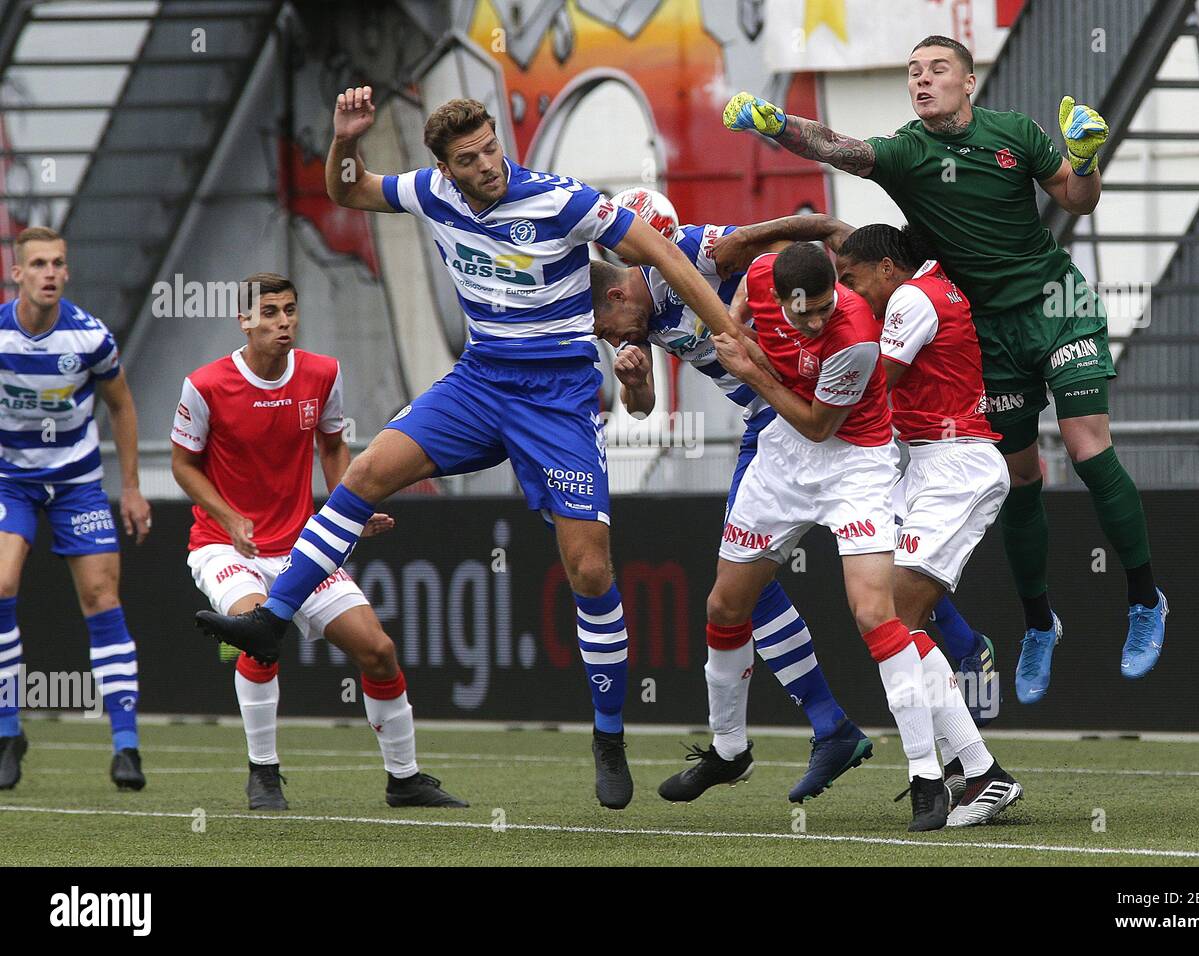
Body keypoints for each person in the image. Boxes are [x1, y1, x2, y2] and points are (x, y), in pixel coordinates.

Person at [193, 91, 746, 811]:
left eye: (492, 149)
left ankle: (608, 736)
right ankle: (270, 621)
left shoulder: (560, 201)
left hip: (556, 398)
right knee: (363, 473)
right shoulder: (430, 193)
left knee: (588, 570)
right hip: (481, 382)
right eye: (469, 159)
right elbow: (346, 188)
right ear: (445, 171)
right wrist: (343, 139)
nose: (488, 165)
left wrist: (724, 332)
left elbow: (664, 253)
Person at [720, 35, 1170, 705]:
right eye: (912, 72)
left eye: (936, 70)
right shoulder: (907, 151)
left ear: (967, 82)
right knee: (1021, 477)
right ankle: (1040, 624)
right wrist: (778, 126)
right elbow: (836, 145)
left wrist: (1084, 158)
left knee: (1086, 446)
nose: (922, 80)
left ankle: (1143, 599)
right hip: (988, 327)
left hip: (1054, 301)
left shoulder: (1014, 133)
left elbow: (1078, 201)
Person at [590, 207, 873, 804]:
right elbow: (640, 410)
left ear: (618, 292)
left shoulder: (686, 254)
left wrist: (828, 232)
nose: (613, 339)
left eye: (608, 329)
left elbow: (757, 238)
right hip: (769, 422)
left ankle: (946, 679)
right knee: (735, 593)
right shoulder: (643, 321)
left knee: (886, 592)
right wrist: (634, 380)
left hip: (805, 414)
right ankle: (810, 730)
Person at [172, 272, 465, 811]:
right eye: (270, 312)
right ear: (244, 320)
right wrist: (230, 517)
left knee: (378, 651)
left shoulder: (321, 374)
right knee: (260, 633)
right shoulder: (206, 385)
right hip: (224, 546)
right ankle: (263, 773)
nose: (283, 321)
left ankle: (404, 779)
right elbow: (183, 466)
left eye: (289, 309)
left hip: (302, 547)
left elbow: (334, 448)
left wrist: (346, 509)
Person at [670, 241, 933, 831]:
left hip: (852, 461)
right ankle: (729, 749)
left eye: (823, 307)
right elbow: (743, 292)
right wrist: (737, 322)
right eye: (802, 312)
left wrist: (750, 368)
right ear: (779, 294)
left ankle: (924, 773)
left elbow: (817, 425)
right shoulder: (763, 275)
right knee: (725, 603)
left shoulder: (855, 334)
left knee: (873, 612)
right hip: (781, 462)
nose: (815, 321)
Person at [833, 222, 1020, 825]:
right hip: (931, 465)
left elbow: (872, 386)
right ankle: (978, 770)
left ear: (886, 269)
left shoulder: (913, 297)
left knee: (890, 618)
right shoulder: (929, 288)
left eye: (850, 279)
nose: (847, 293)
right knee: (891, 619)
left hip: (956, 466)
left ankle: (961, 773)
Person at [0, 226, 150, 791]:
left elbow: (122, 404)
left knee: (102, 599)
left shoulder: (90, 338)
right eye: (37, 263)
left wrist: (131, 487)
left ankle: (126, 746)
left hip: (78, 482)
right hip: (11, 480)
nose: (49, 273)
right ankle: (7, 730)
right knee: (1, 586)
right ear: (17, 273)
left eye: (58, 263)